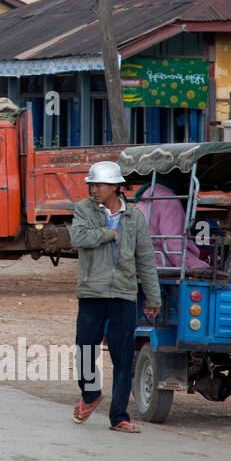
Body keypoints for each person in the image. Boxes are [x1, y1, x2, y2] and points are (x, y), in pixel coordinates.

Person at [69, 160, 160, 433]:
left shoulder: (135, 218)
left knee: (122, 357)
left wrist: (153, 298)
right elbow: (78, 237)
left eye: (98, 185)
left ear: (115, 187)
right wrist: (109, 233)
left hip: (123, 294)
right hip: (92, 292)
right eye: (92, 184)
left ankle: (119, 416)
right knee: (84, 350)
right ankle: (90, 393)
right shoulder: (84, 209)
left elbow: (145, 260)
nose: (93, 189)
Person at [133, 174, 208, 271]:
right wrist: (189, 264)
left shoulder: (146, 193)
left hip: (141, 261)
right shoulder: (169, 199)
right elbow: (173, 241)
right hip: (161, 263)